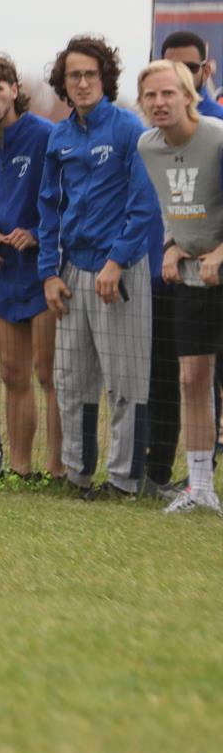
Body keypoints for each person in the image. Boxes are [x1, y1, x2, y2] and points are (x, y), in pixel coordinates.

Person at [38, 35, 160, 500]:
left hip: (120, 272)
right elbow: (48, 206)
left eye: (91, 74)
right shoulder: (60, 136)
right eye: (74, 75)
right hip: (72, 272)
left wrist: (118, 260)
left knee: (126, 380)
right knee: (72, 378)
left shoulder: (129, 129)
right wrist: (49, 272)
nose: (83, 82)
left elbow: (143, 203)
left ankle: (126, 481)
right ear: (63, 83)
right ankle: (78, 474)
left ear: (105, 78)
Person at [0, 51, 61, 486]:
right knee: (12, 374)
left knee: (49, 374)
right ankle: (20, 470)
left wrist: (38, 232)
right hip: (4, 272)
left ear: (14, 90)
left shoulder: (45, 135)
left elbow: (64, 198)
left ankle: (59, 469)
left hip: (43, 271)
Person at [137, 59, 223, 513]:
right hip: (192, 277)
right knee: (192, 378)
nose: (159, 102)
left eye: (168, 93)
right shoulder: (147, 146)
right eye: (150, 95)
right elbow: (170, 204)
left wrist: (220, 252)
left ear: (189, 95)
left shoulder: (217, 136)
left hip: (220, 265)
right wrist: (171, 245)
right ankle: (200, 487)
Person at [159, 31, 222, 116]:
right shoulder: (151, 115)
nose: (181, 74)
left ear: (206, 72)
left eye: (190, 67)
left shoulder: (219, 120)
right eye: (172, 67)